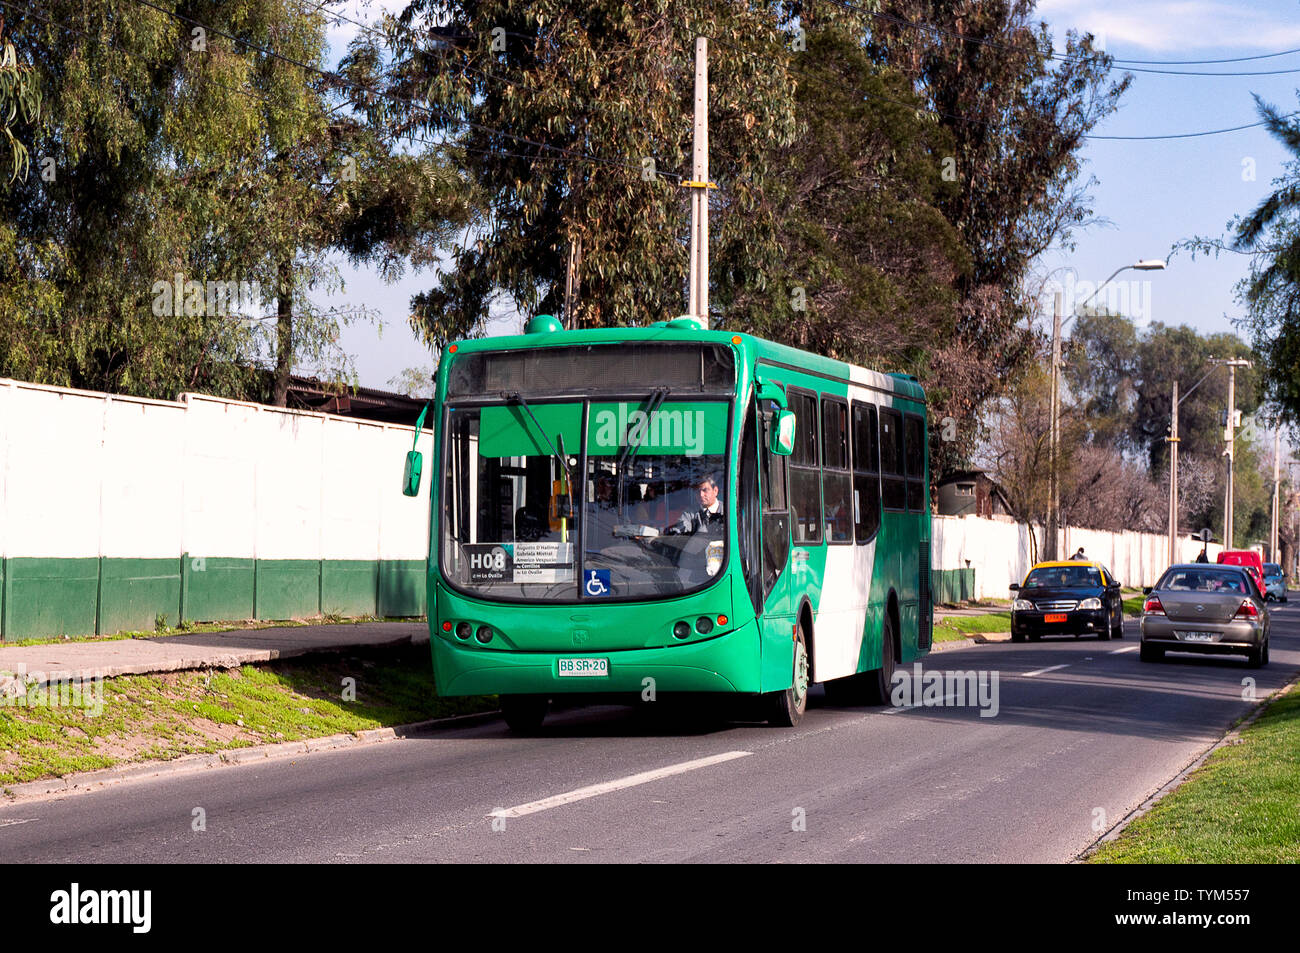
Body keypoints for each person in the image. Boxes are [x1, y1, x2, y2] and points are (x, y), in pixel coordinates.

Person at [664, 472, 724, 536]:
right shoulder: (690, 513)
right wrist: (675, 534)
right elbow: (681, 528)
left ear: (715, 491)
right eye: (697, 491)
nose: (701, 495)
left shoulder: (728, 511)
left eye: (705, 490)